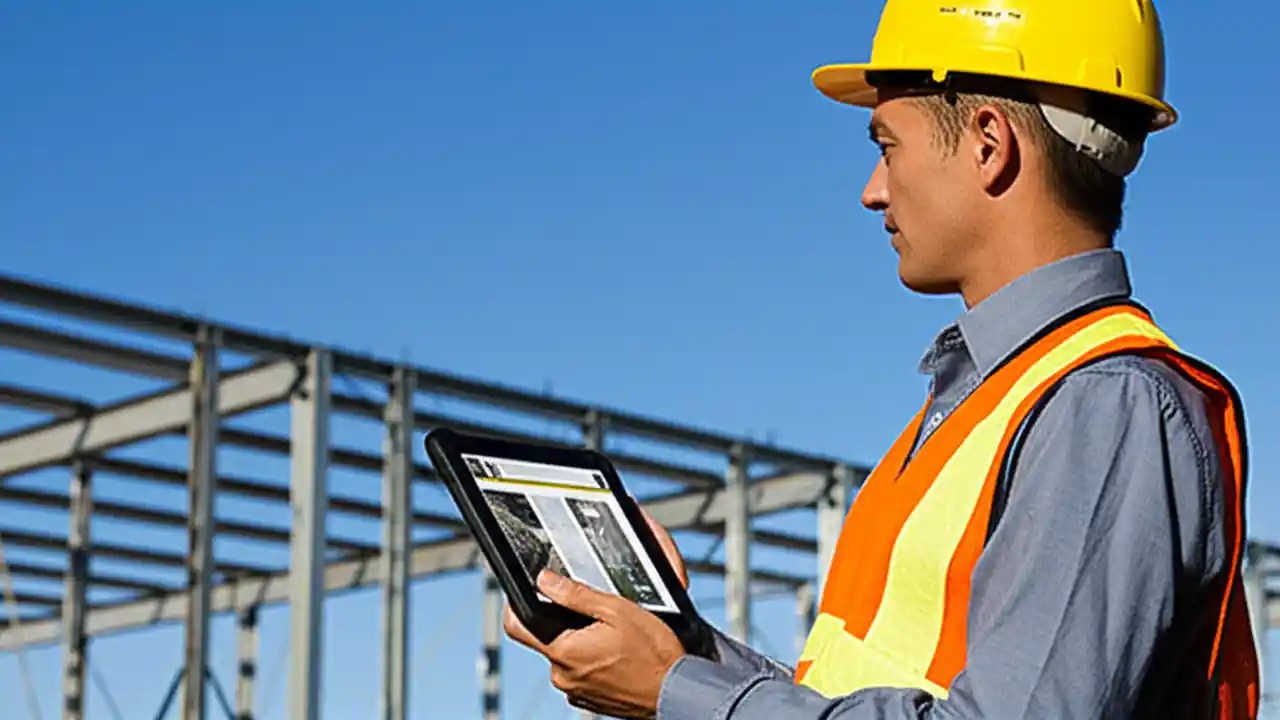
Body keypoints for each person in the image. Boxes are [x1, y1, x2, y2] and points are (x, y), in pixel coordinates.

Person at [502, 0, 1262, 717]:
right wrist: (682, 657)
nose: (872, 192)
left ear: (988, 144)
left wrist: (678, 692)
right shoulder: (989, 405)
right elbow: (855, 690)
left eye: (887, 147)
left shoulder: (1104, 405)